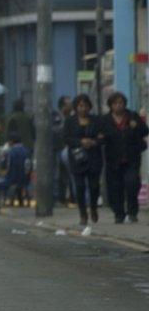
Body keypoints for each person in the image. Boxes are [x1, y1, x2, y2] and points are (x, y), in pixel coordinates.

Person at [102, 92, 149, 223]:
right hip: (113, 160)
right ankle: (119, 213)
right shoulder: (105, 120)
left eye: (121, 103)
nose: (118, 106)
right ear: (111, 105)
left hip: (131, 158)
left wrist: (137, 125)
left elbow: (145, 131)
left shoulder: (132, 116)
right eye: (115, 103)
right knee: (115, 188)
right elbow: (100, 136)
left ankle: (132, 212)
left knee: (132, 184)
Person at [63, 94, 103, 227]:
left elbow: (102, 137)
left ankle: (93, 207)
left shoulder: (96, 120)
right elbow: (66, 138)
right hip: (77, 158)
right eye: (80, 106)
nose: (83, 109)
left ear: (89, 106)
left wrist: (93, 142)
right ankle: (83, 213)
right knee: (79, 186)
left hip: (93, 157)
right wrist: (80, 142)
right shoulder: (70, 121)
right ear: (76, 107)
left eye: (85, 105)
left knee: (94, 186)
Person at [0, 134, 30, 208]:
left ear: (11, 142)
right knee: (20, 184)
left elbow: (3, 164)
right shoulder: (27, 151)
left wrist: (2, 155)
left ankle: (2, 200)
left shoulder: (10, 152)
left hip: (12, 179)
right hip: (25, 178)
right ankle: (21, 200)